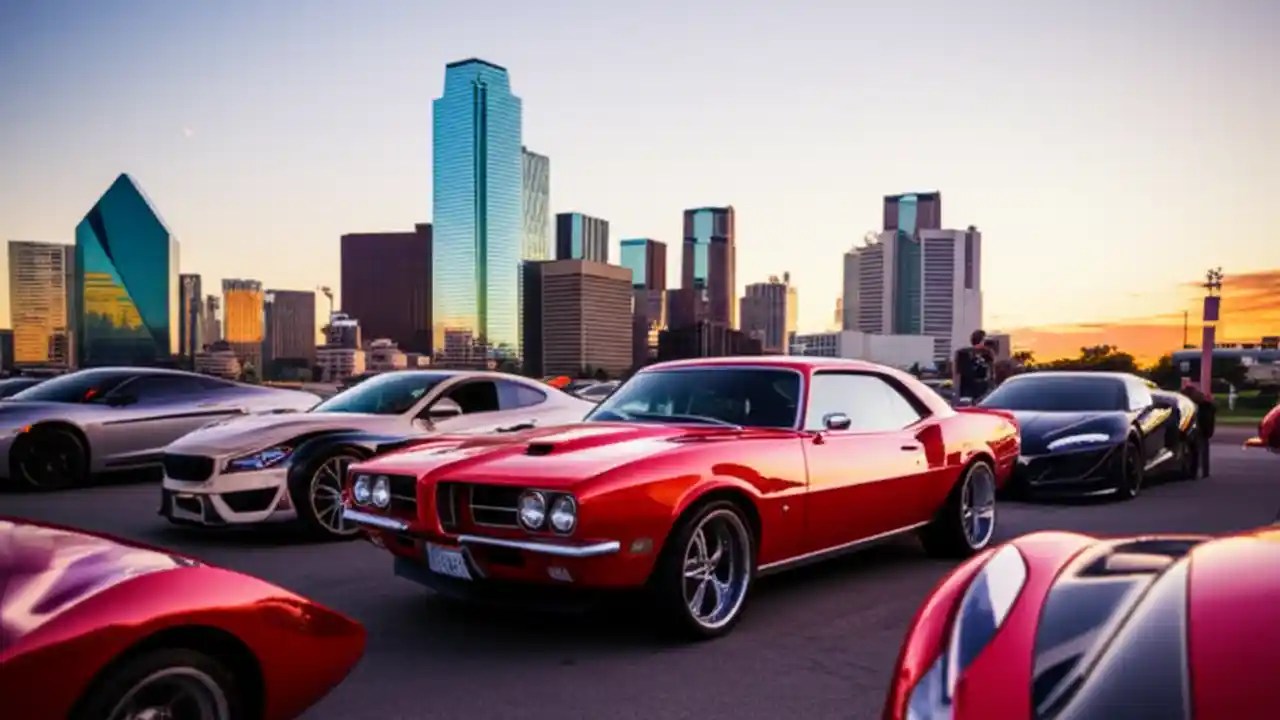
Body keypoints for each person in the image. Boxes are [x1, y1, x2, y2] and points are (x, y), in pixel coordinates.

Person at [1182, 383, 1216, 478]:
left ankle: (1195, 471)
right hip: (1202, 429)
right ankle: (1203, 471)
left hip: (1199, 429)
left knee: (1196, 450)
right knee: (1201, 450)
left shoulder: (1200, 406)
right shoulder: (1207, 406)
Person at [953, 330, 994, 402]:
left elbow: (957, 374)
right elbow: (957, 373)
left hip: (973, 390)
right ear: (982, 340)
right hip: (971, 390)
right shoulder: (964, 353)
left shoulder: (986, 353)